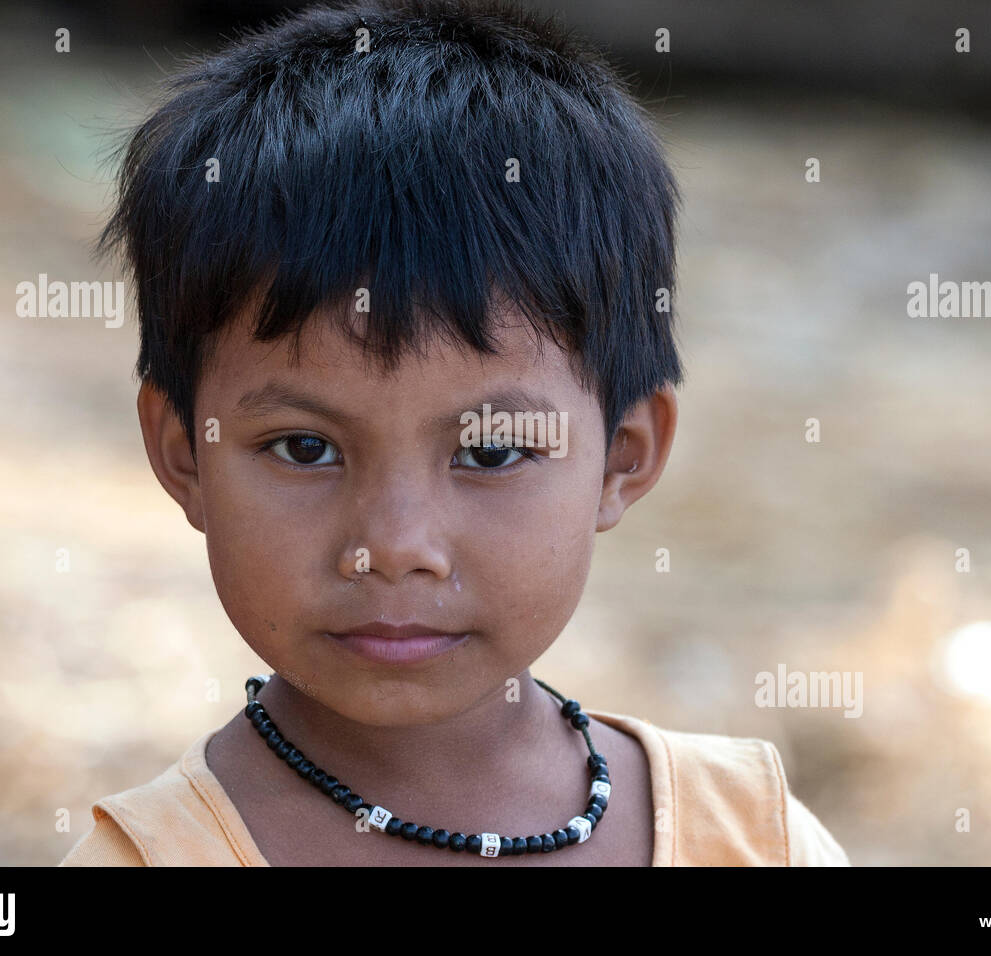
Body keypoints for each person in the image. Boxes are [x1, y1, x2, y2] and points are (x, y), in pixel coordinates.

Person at [60, 0, 849, 866]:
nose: (394, 547)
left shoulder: (752, 837)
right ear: (182, 452)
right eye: (304, 448)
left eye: (490, 452)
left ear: (625, 455)